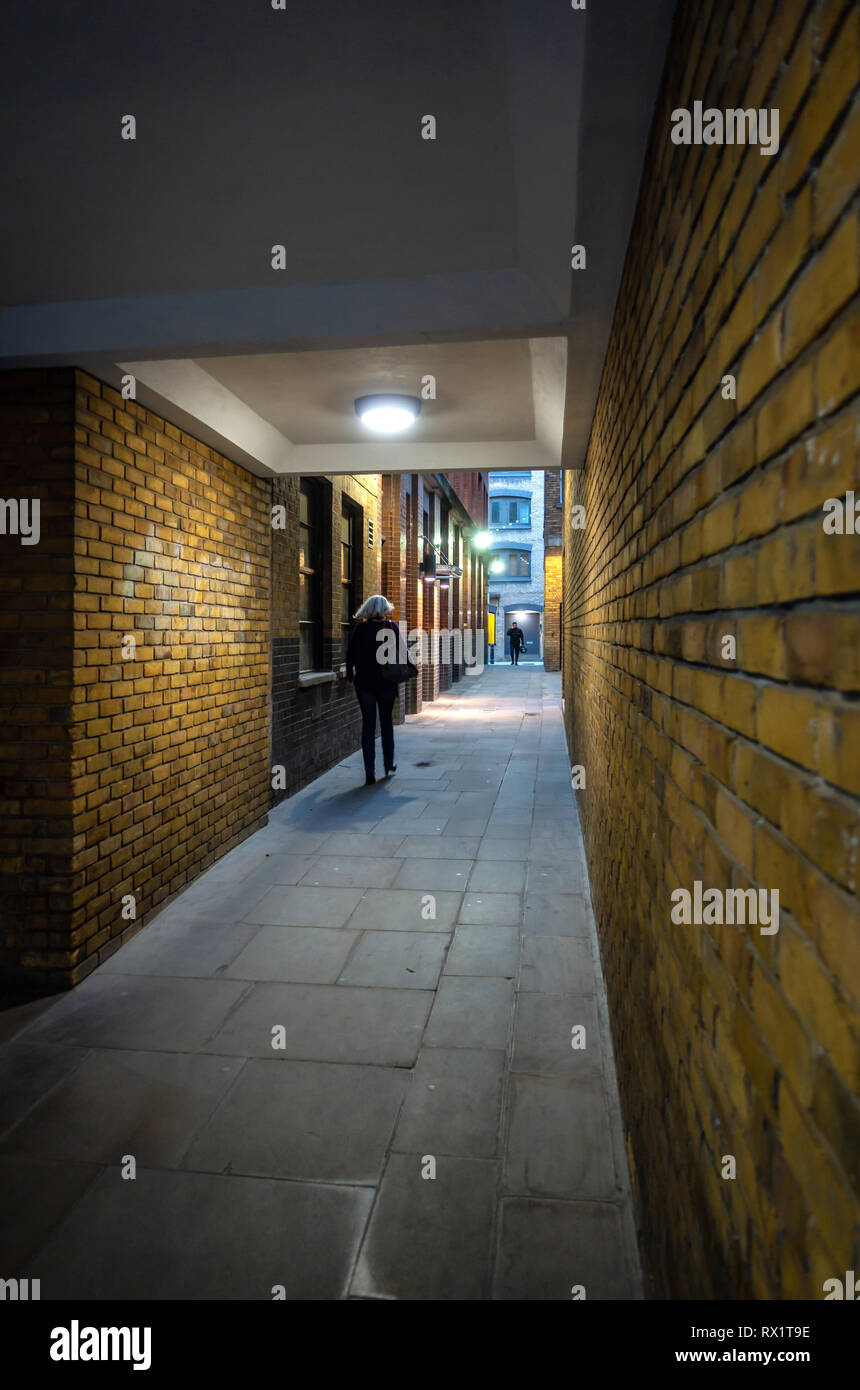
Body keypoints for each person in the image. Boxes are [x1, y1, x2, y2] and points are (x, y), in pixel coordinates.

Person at [345, 594, 400, 786]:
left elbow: (350, 654)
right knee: (386, 724)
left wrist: (351, 678)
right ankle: (388, 763)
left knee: (368, 726)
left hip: (365, 684)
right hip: (386, 684)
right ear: (385, 609)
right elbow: (400, 653)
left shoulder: (360, 629)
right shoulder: (392, 628)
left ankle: (369, 771)